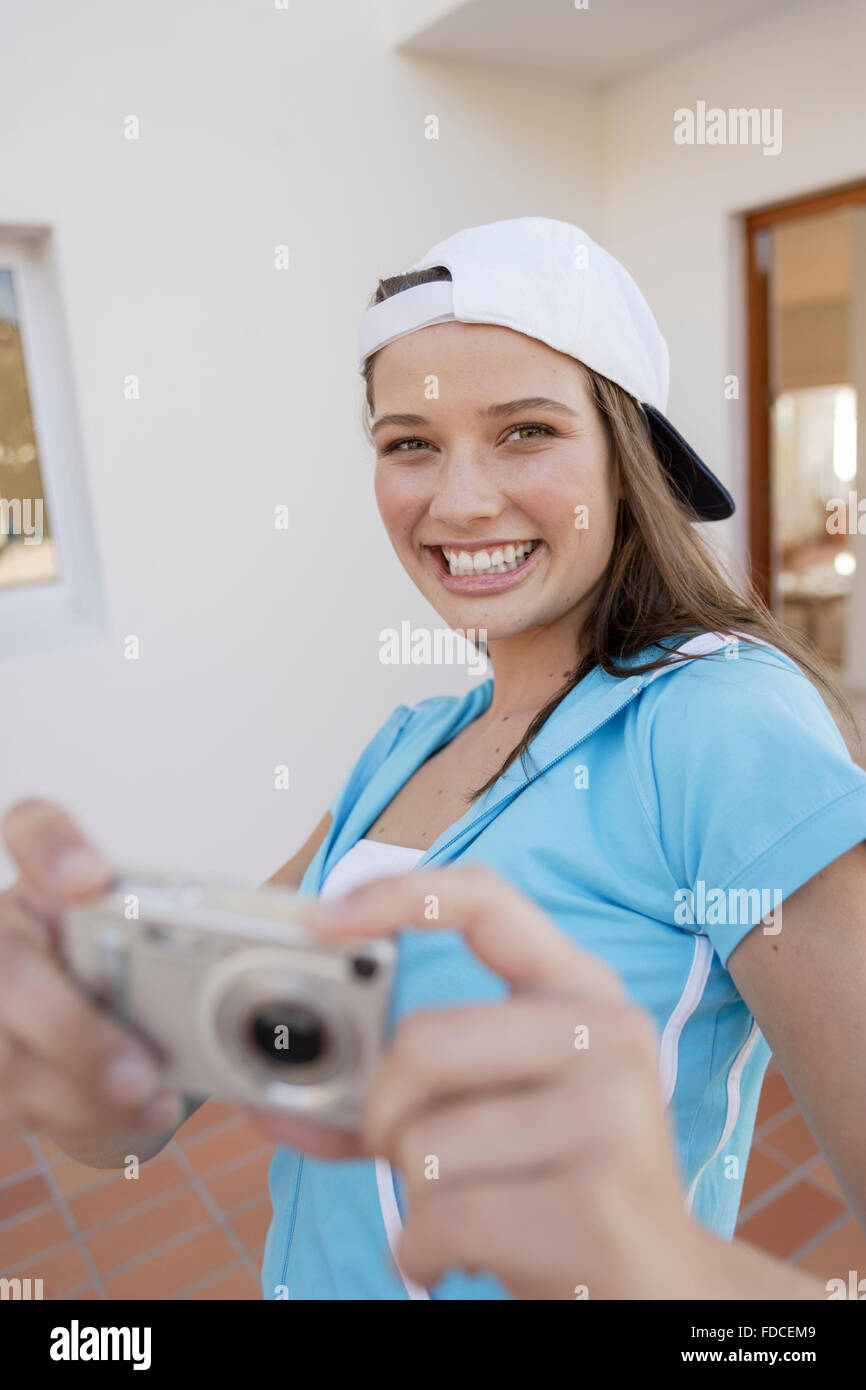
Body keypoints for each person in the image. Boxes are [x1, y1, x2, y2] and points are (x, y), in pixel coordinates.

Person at [2, 218, 865, 1301]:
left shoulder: (717, 723)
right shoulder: (403, 745)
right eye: (409, 441)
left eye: (524, 431)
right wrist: (84, 1044)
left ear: (625, 453)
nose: (455, 501)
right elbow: (157, 1098)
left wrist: (662, 1267)